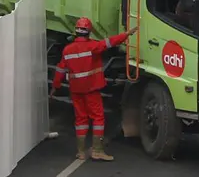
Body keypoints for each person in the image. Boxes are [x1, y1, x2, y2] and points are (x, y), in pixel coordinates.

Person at [50, 17, 137, 161]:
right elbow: (110, 42)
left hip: (76, 90)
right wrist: (127, 34)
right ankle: (97, 150)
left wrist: (55, 87)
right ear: (89, 32)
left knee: (80, 119)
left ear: (76, 32)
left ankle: (81, 152)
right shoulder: (92, 46)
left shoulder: (67, 50)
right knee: (97, 118)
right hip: (91, 89)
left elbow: (60, 70)